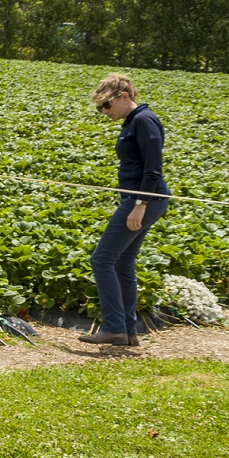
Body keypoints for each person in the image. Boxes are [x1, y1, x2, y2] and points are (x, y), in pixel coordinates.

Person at [79, 73, 166, 347]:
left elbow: (153, 168)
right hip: (139, 198)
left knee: (102, 259)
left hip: (144, 200)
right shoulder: (134, 121)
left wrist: (140, 205)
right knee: (122, 263)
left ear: (124, 97)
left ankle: (114, 327)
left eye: (106, 105)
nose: (104, 111)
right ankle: (128, 331)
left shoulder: (144, 120)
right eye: (99, 107)